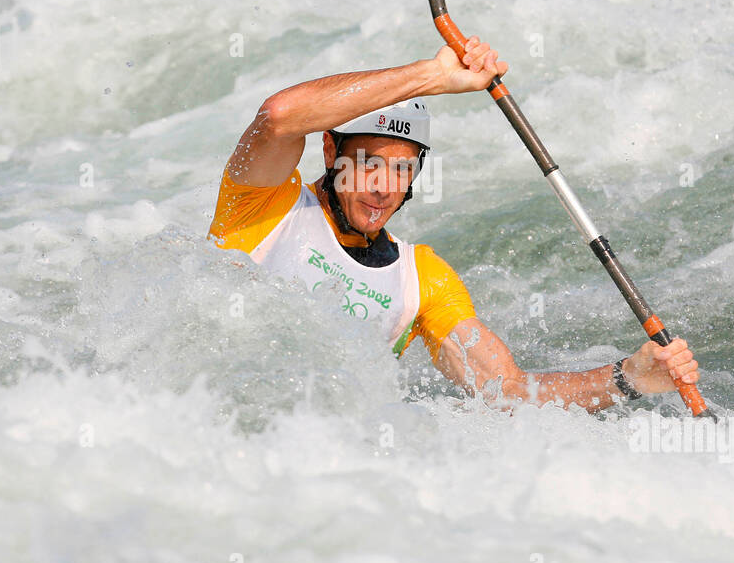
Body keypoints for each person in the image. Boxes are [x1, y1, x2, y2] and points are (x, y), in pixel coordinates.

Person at [209, 36, 701, 410]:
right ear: (331, 151)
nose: (385, 188)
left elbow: (506, 393)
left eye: (402, 170)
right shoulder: (265, 204)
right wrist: (433, 76)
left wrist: (628, 377)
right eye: (370, 165)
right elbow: (278, 117)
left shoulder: (422, 279)